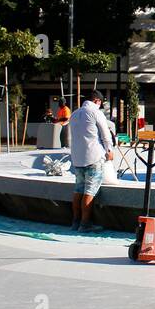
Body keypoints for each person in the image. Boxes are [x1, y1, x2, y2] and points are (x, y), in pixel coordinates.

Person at [68, 91, 115, 231]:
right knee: (90, 191)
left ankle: (75, 222)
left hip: (77, 158)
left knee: (78, 190)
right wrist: (109, 150)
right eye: (100, 103)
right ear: (97, 101)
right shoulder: (95, 112)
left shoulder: (74, 114)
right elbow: (106, 134)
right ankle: (85, 224)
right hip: (93, 156)